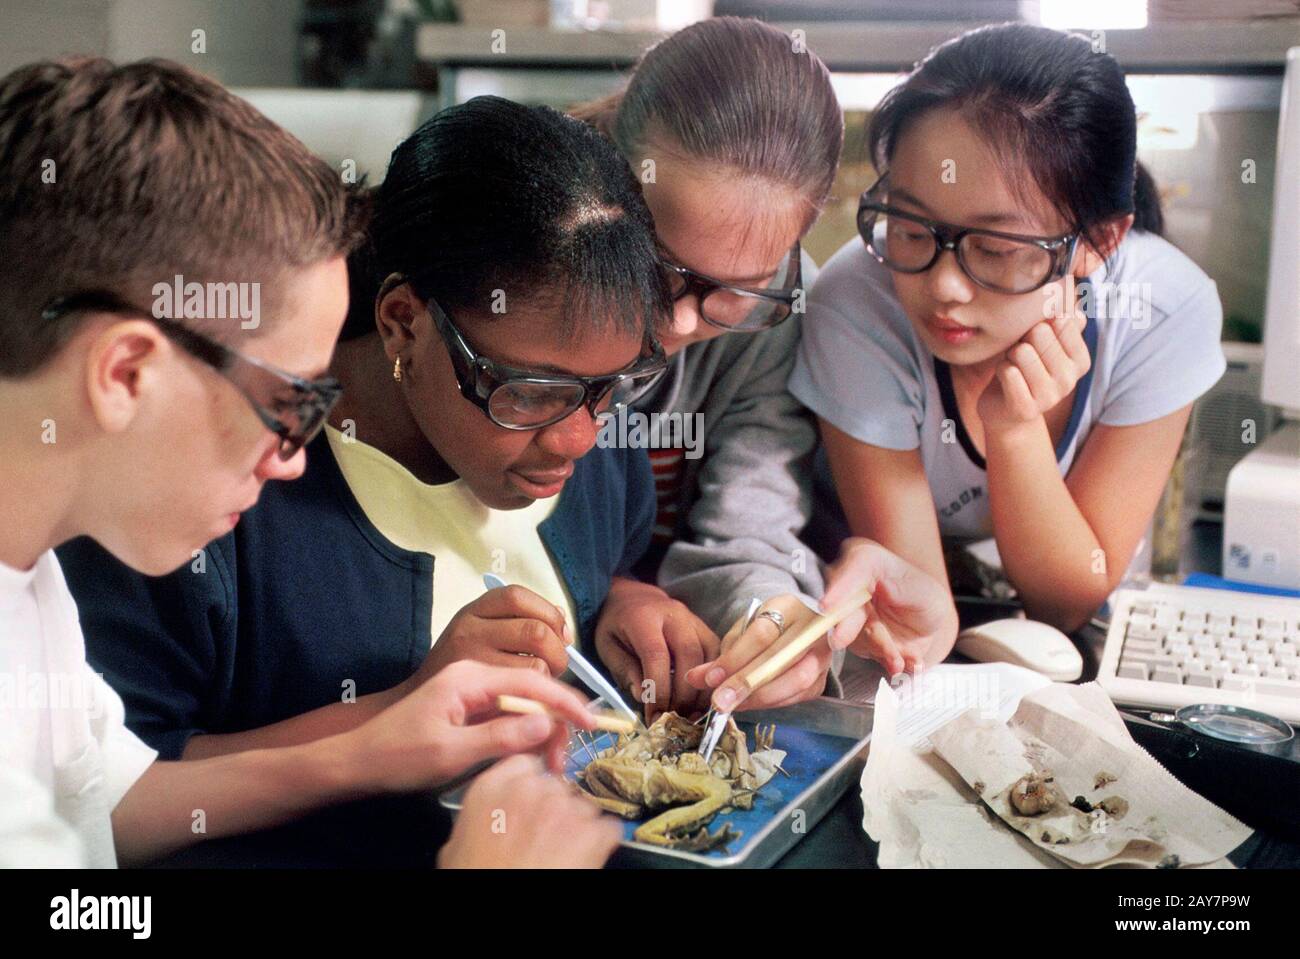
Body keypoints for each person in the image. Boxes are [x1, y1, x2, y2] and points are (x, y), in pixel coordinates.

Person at [1, 58, 617, 868]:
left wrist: (368, 745)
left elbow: (101, 802)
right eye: (289, 405)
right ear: (125, 374)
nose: (294, 464)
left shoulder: (28, 568)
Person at [791, 23, 1226, 635]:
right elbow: (917, 611)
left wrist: (1014, 431)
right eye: (912, 229)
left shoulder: (1163, 312)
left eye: (994, 249)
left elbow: (1066, 603)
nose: (944, 285)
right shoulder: (857, 303)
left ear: (1098, 242)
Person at [575, 16, 958, 711]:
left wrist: (772, 613)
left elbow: (749, 518)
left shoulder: (781, 307)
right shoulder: (538, 247)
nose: (680, 320)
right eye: (659, 267)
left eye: (732, 290)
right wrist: (599, 592)